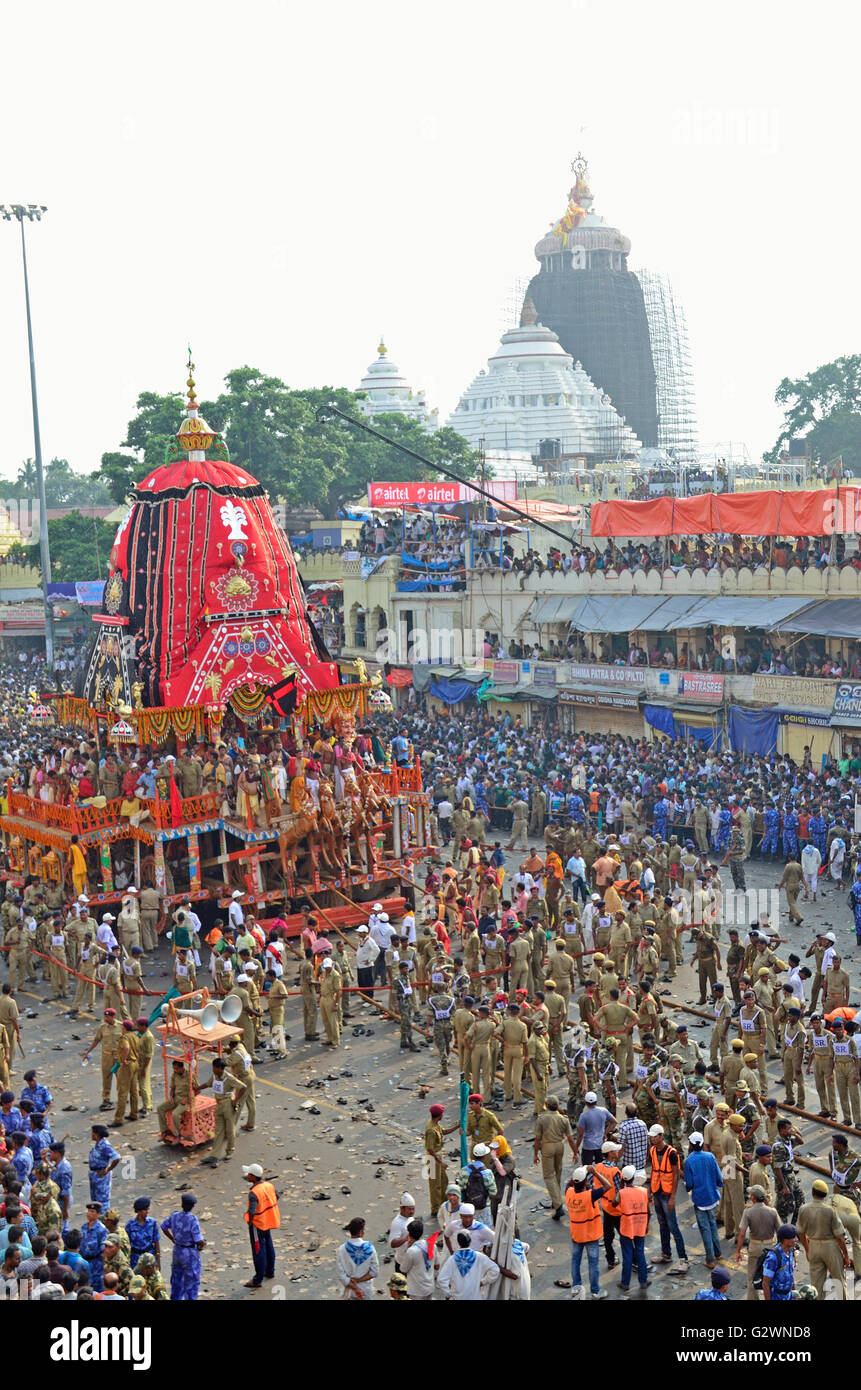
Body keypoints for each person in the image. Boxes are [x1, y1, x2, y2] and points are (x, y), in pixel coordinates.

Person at [796, 1178, 851, 1300]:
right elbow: (839, 1237)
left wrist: (807, 1249)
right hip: (830, 1247)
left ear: (812, 1193)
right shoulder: (830, 1210)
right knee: (839, 1282)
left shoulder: (803, 1209)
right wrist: (845, 1256)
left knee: (816, 1284)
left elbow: (800, 1232)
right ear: (825, 1195)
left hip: (814, 1246)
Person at [564, 1164, 611, 1300]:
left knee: (575, 1261)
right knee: (593, 1264)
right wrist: (594, 1172)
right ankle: (595, 1292)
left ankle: (576, 1288)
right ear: (586, 1181)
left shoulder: (568, 1191)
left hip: (576, 1234)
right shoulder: (590, 1195)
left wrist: (579, 1173)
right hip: (590, 1234)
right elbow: (607, 1186)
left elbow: (569, 1183)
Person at [647, 1124, 688, 1273]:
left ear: (661, 1136)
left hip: (667, 1195)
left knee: (673, 1227)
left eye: (654, 1136)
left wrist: (672, 1197)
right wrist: (650, 1192)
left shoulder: (671, 1153)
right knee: (662, 1224)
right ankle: (666, 1254)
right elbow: (654, 1171)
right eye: (651, 1136)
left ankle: (683, 1259)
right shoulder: (652, 1150)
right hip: (657, 1192)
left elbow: (676, 1175)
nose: (652, 1138)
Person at [683, 1131, 723, 1268]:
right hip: (712, 1196)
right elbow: (719, 1177)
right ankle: (718, 1253)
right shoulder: (710, 1156)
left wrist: (688, 1189)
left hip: (700, 1199)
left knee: (705, 1228)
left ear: (692, 1144)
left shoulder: (689, 1161)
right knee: (712, 1224)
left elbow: (689, 1183)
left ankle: (710, 1259)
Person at [533, 1096, 577, 1219]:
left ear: (547, 1105)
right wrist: (575, 1152)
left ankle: (557, 1205)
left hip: (547, 1146)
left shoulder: (542, 1119)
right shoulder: (563, 1119)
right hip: (560, 1146)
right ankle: (555, 1200)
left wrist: (536, 1154)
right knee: (557, 1174)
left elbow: (537, 1139)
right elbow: (570, 1138)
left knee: (548, 1176)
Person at [735, 1184, 780, 1300]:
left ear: (753, 1198)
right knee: (770, 1276)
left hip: (754, 1247)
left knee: (752, 1277)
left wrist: (738, 1251)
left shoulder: (748, 1212)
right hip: (770, 1246)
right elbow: (780, 1231)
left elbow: (742, 1234)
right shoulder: (772, 1212)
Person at [242, 1162, 281, 1289]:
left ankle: (258, 1279)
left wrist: (250, 1221)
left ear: (253, 1177)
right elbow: (276, 1196)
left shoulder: (254, 1192)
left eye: (249, 1174)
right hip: (268, 1220)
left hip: (257, 1224)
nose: (247, 1176)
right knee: (269, 1245)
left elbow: (252, 1211)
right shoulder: (269, 1185)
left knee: (258, 1250)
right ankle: (270, 1271)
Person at [160, 1193, 205, 1301]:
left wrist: (172, 1238)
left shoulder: (174, 1216)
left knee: (176, 1281)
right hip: (190, 1253)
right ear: (192, 1206)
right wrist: (201, 1246)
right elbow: (198, 1239)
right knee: (191, 1282)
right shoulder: (192, 1220)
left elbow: (164, 1226)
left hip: (177, 1251)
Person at [613, 1166, 650, 1292]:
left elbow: (614, 1203)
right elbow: (648, 1210)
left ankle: (625, 1283)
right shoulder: (644, 1191)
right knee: (640, 1253)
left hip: (627, 1227)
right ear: (634, 1178)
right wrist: (647, 1225)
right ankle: (643, 1281)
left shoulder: (622, 1193)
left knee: (627, 1256)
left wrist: (621, 1188)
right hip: (640, 1226)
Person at [438, 1230, 501, 1300]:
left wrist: (448, 1294)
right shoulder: (479, 1256)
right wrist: (483, 1281)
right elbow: (495, 1270)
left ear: (458, 1242)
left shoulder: (452, 1259)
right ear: (470, 1241)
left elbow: (441, 1279)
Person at [337, 1217, 379, 1300]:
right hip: (366, 1290)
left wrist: (354, 1286)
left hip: (349, 1290)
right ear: (361, 1232)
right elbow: (374, 1272)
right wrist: (359, 1280)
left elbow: (341, 1275)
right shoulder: (369, 1248)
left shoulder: (342, 1249)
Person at [761, 1223, 798, 1301]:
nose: (796, 1239)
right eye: (793, 1237)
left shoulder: (790, 1251)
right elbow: (765, 1284)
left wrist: (794, 1293)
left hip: (789, 1296)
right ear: (785, 1240)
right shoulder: (773, 1258)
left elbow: (791, 1274)